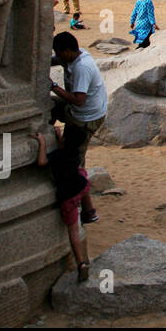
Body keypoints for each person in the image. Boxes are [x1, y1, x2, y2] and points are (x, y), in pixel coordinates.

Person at [50, 31, 108, 215]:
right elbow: (55, 60)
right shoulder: (72, 57)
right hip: (79, 112)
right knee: (50, 105)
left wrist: (53, 86)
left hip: (85, 118)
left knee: (74, 161)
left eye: (59, 53)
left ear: (67, 51)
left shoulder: (82, 68)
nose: (58, 57)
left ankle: (89, 210)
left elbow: (78, 99)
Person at [35, 126, 94, 282]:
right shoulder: (74, 153)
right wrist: (60, 136)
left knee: (73, 232)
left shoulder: (57, 156)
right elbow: (67, 145)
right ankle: (90, 210)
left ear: (65, 140)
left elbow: (42, 162)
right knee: (81, 171)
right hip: (82, 187)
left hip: (68, 197)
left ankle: (81, 264)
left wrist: (42, 142)